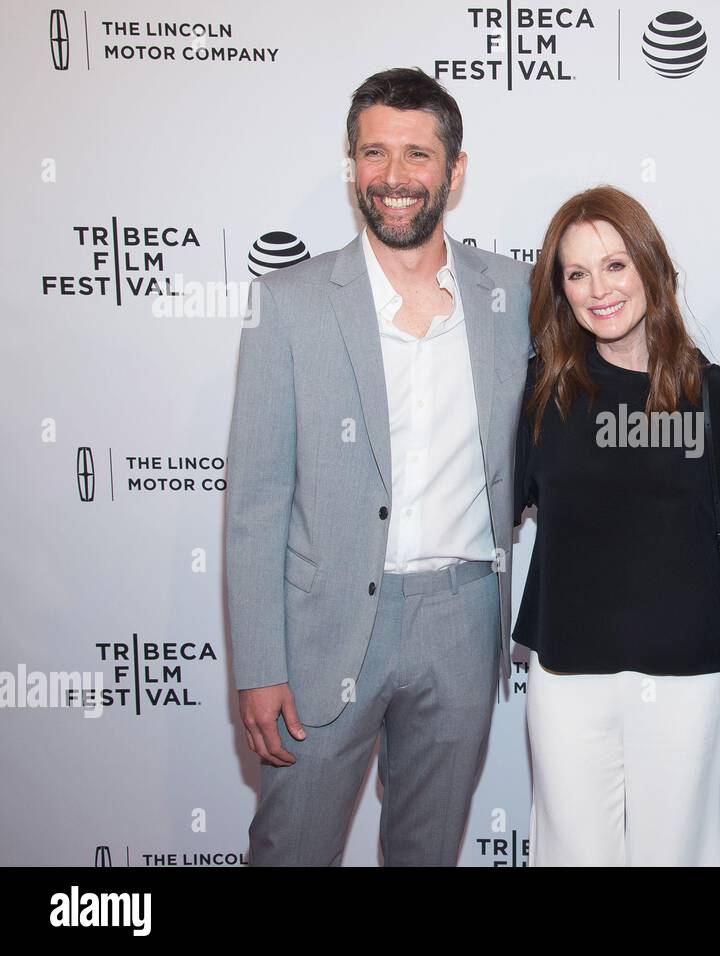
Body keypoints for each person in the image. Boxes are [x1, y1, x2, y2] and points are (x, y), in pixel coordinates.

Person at [226, 67, 532, 865]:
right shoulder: (289, 301)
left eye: (418, 156)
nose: (394, 178)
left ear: (455, 171)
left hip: (464, 620)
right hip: (325, 630)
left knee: (428, 853)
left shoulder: (516, 295)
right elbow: (256, 502)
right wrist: (259, 665)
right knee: (291, 848)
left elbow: (623, 343)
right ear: (352, 164)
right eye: (374, 154)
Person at [514, 186, 720, 866]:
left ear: (651, 267)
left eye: (615, 265)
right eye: (576, 274)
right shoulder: (540, 393)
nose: (597, 289)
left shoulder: (715, 395)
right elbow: (485, 504)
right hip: (567, 676)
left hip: (689, 677)